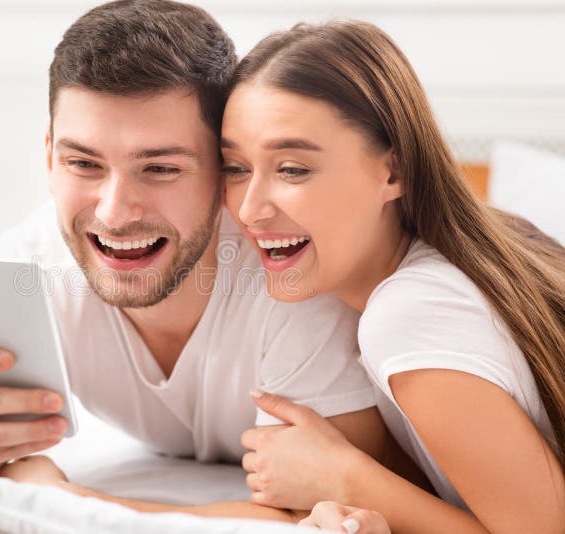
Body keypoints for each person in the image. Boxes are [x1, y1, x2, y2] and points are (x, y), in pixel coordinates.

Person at [0, 1, 387, 523]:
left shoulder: (289, 275)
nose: (114, 213)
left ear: (224, 171)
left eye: (160, 168)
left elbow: (328, 516)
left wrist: (66, 503)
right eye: (83, 163)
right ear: (49, 156)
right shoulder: (21, 276)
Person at [221, 20, 565, 533]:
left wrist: (346, 477)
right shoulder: (465, 262)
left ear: (393, 172)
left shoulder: (408, 312)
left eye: (292, 169)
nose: (250, 209)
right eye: (235, 168)